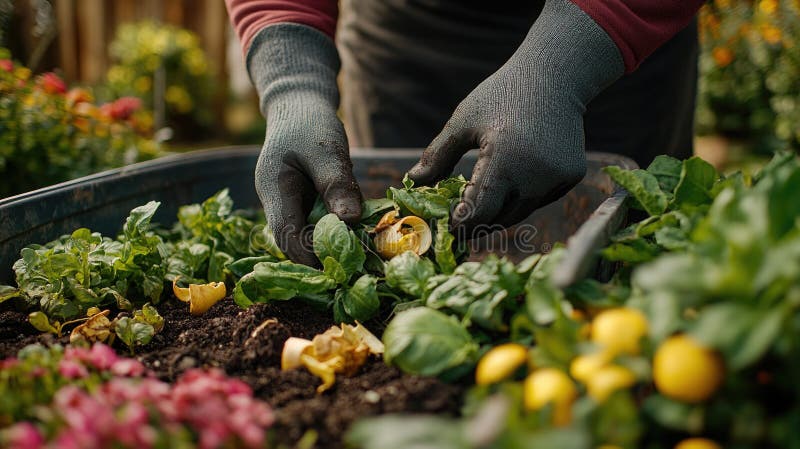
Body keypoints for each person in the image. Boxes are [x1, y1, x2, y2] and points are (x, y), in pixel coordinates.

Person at [225, 0, 704, 265]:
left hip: (607, 45)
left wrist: (561, 68)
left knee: (621, 272)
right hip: (405, 45)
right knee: (398, 255)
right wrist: (292, 81)